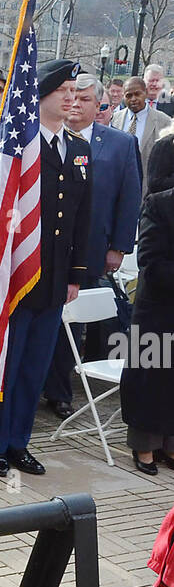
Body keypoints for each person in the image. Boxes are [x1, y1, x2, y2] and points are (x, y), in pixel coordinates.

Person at [0, 59, 91, 478]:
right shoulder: (20, 148)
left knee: (35, 367)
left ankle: (19, 443)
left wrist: (75, 275)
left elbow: (83, 215)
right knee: (8, 367)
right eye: (63, 91)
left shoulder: (79, 148)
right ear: (41, 96)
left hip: (54, 279)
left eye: (76, 92)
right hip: (17, 275)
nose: (71, 99)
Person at [43, 72, 141, 417]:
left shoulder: (119, 144)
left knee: (76, 322)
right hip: (48, 250)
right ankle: (45, 382)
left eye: (85, 99)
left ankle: (61, 391)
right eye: (72, 95)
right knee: (49, 322)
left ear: (99, 103)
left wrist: (119, 246)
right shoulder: (48, 138)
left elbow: (129, 197)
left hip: (93, 250)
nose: (76, 103)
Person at [119, 189, 174, 474]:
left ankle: (170, 444)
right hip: (159, 310)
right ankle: (144, 445)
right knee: (150, 380)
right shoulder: (159, 204)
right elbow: (151, 264)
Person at [111, 76, 166, 185]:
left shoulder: (164, 122)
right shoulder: (113, 119)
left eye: (137, 94)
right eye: (129, 95)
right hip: (116, 183)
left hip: (147, 186)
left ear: (145, 92)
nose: (133, 99)